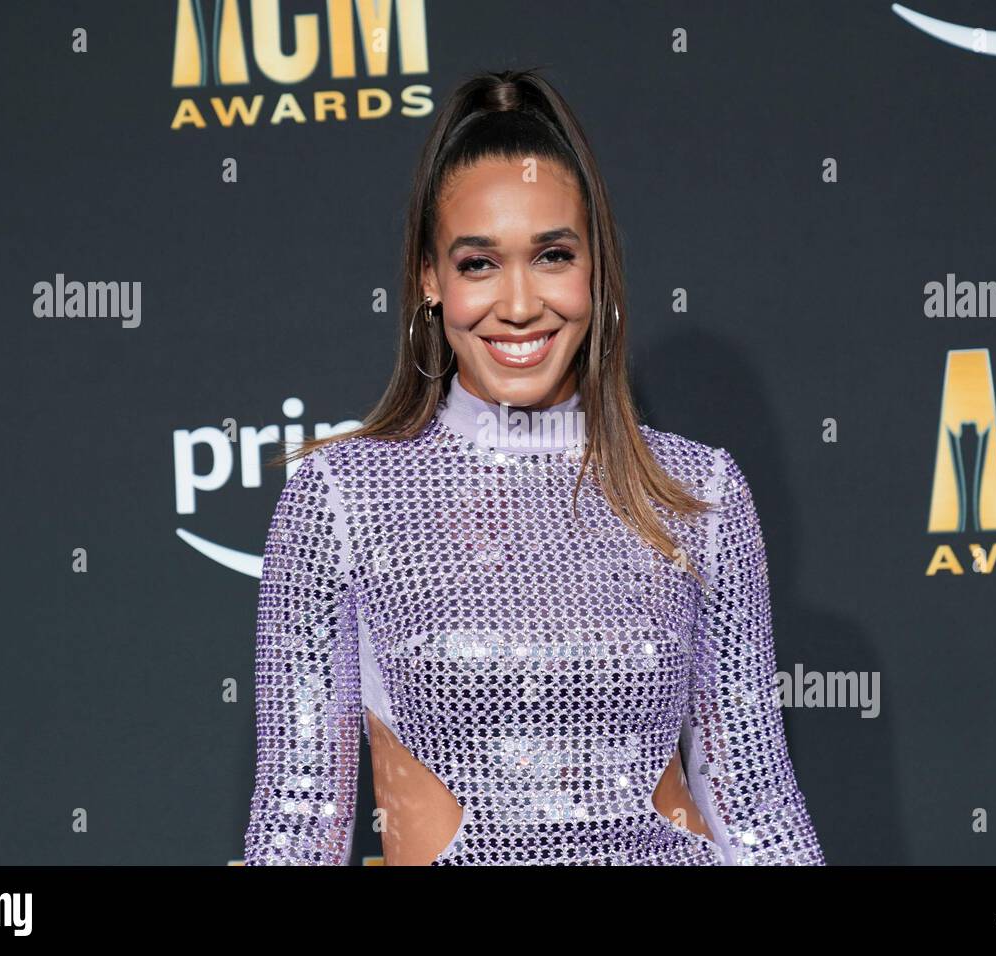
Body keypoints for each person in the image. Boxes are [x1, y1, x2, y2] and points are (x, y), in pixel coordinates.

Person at [243, 68, 825, 866]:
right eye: (478, 264)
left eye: (552, 256)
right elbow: (298, 819)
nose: (519, 304)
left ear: (595, 270)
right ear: (429, 279)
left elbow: (755, 803)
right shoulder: (342, 496)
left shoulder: (701, 493)